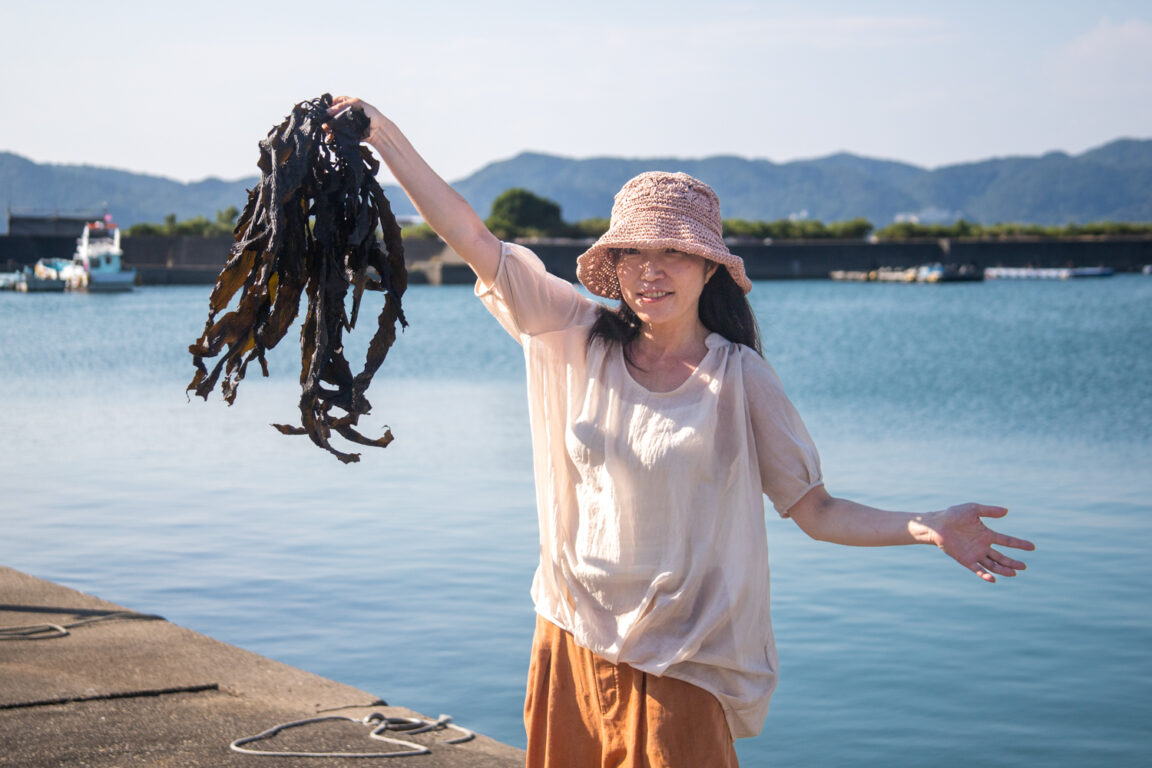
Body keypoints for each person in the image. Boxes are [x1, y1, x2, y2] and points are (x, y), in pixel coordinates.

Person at [327, 96, 1035, 768]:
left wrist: (925, 526)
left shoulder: (740, 378)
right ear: (615, 266)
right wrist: (381, 135)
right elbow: (473, 238)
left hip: (685, 653)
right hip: (570, 629)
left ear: (708, 266)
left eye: (674, 252)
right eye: (635, 253)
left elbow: (814, 509)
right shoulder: (574, 334)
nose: (652, 271)